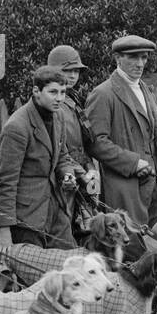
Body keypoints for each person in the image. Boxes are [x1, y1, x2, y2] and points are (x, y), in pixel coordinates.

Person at [84, 35, 157, 227]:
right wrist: (133, 162)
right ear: (118, 59)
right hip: (125, 187)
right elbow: (96, 142)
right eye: (133, 57)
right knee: (129, 245)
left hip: (154, 183)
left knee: (153, 243)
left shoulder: (145, 90)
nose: (140, 64)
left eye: (144, 57)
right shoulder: (103, 94)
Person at [0, 66, 83, 248]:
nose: (59, 98)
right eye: (53, 92)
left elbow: (62, 156)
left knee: (68, 266)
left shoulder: (58, 116)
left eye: (63, 92)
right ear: (36, 91)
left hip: (57, 211)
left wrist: (67, 174)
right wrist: (4, 230)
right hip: (28, 218)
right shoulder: (17, 127)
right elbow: (5, 182)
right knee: (33, 274)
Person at [46, 44, 101, 239]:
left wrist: (90, 168)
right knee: (64, 228)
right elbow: (60, 149)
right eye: (67, 70)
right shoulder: (54, 105)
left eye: (76, 71)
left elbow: (84, 141)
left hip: (82, 172)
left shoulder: (73, 100)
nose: (72, 76)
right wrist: (81, 172)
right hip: (63, 177)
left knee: (85, 226)